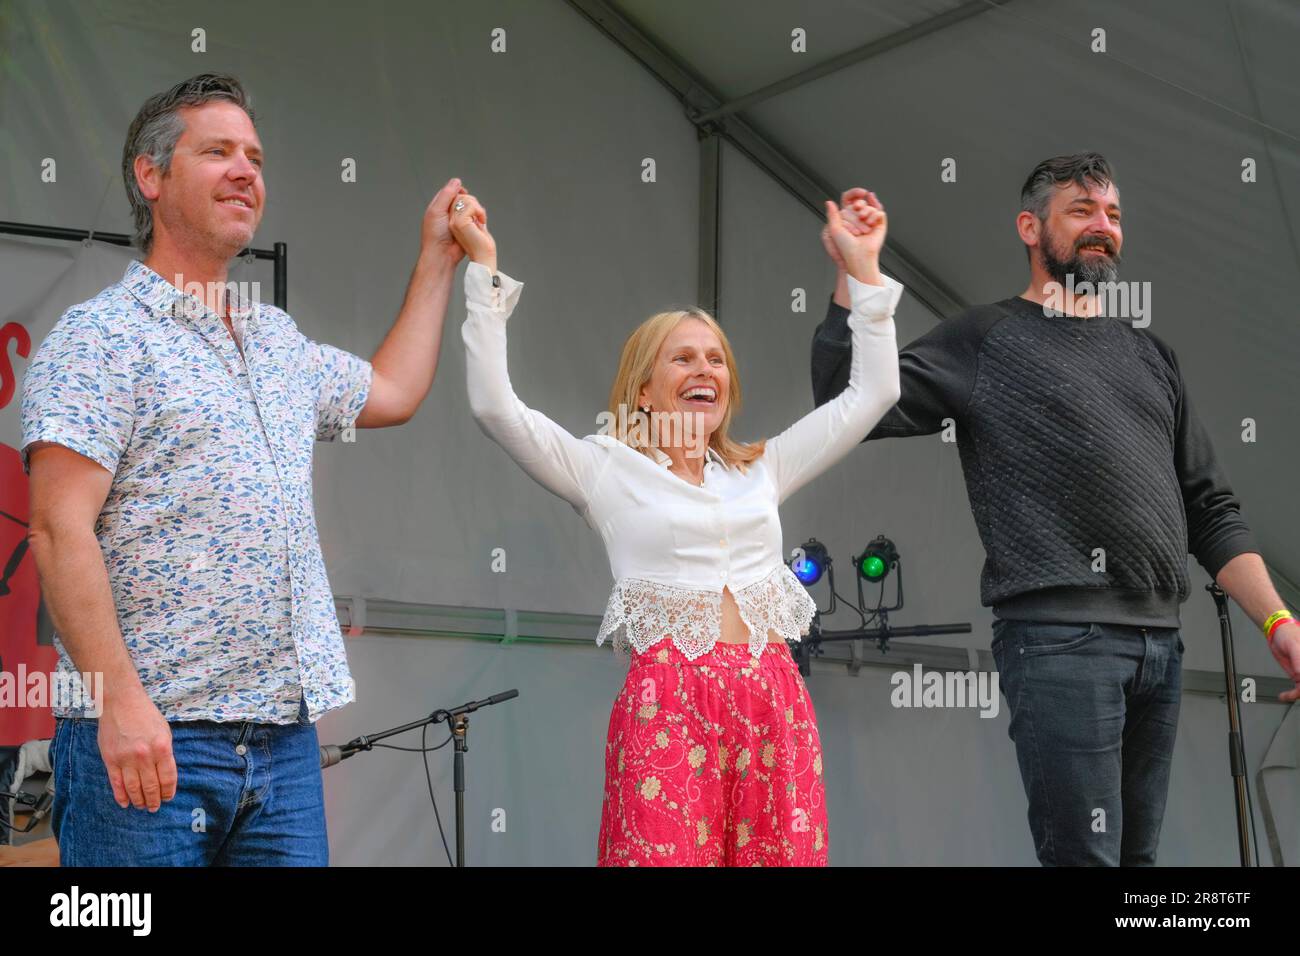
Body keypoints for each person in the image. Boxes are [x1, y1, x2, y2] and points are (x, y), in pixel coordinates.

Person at [20, 73, 480, 865]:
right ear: (150, 175)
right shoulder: (99, 337)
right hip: (149, 740)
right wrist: (119, 703)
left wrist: (438, 257)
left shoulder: (276, 339)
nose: (246, 171)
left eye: (256, 157)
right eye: (218, 152)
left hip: (282, 743)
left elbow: (395, 389)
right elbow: (59, 532)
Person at [811, 153, 1300, 866]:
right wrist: (855, 273)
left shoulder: (1151, 356)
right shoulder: (984, 339)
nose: (1104, 227)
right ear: (1030, 228)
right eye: (1083, 210)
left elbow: (1212, 509)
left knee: (1136, 868)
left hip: (1160, 646)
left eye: (1114, 214)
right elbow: (844, 403)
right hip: (1059, 641)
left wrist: (1280, 623)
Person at [449, 189, 903, 866]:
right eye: (683, 358)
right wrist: (484, 270)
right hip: (669, 704)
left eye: (716, 359)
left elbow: (875, 394)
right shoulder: (604, 469)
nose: (705, 370)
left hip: (772, 701)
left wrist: (863, 272)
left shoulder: (762, 469)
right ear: (643, 388)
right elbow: (495, 406)